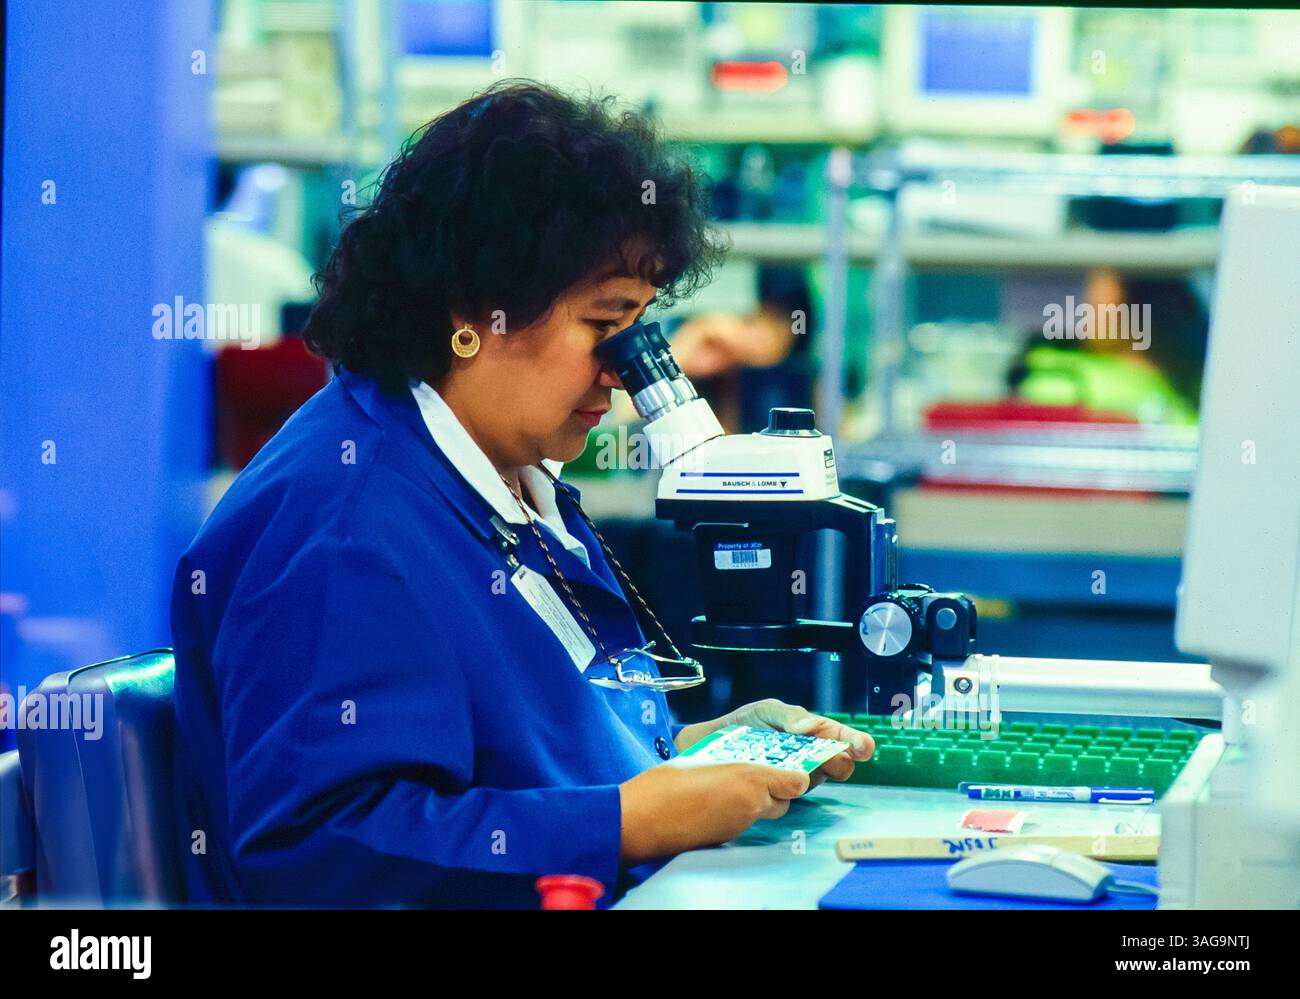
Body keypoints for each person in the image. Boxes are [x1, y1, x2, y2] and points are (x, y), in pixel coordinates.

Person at [170, 80, 873, 909]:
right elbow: (322, 851)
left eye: (641, 324)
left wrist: (684, 754)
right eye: (603, 324)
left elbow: (525, 748)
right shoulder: (343, 526)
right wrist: (626, 820)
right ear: (473, 311)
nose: (626, 370)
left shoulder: (498, 478)